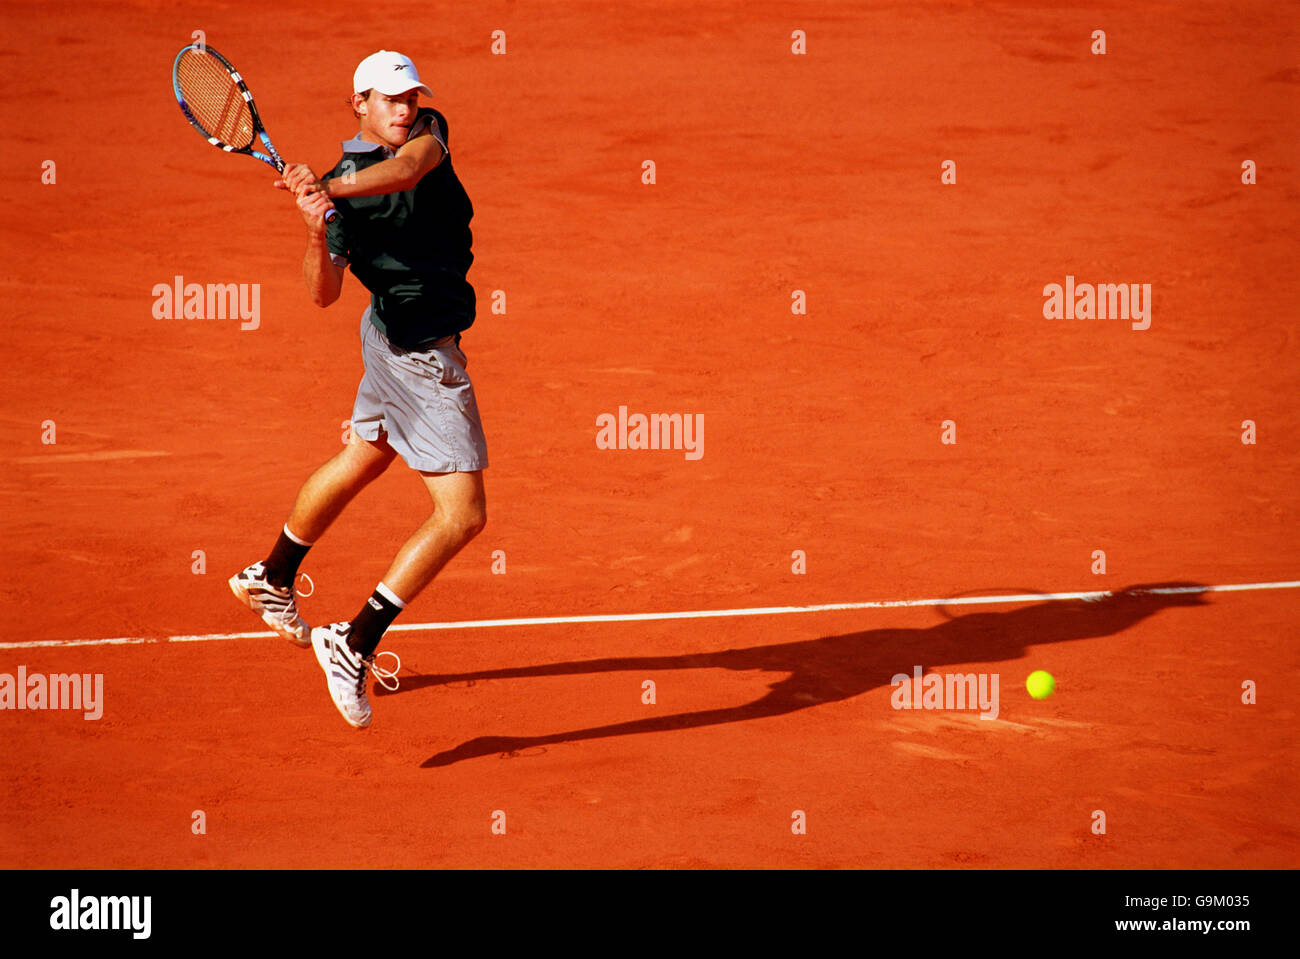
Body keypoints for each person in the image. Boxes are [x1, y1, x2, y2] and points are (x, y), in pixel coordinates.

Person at [228, 50, 487, 729]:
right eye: (389, 99)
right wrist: (315, 230)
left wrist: (328, 192)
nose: (405, 109)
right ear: (360, 106)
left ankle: (274, 573)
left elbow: (404, 169)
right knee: (462, 516)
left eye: (410, 97)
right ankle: (354, 641)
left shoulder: (427, 135)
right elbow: (323, 294)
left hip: (390, 334)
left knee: (366, 456)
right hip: (417, 356)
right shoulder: (337, 190)